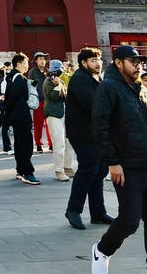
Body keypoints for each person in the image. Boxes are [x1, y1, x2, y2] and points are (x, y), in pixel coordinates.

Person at [90, 45, 147, 273]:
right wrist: (113, 161)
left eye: (140, 62)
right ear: (118, 63)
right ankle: (102, 250)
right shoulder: (109, 88)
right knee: (129, 221)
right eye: (133, 62)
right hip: (127, 166)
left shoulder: (143, 90)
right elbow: (99, 127)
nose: (138, 66)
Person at [64, 47, 113, 231]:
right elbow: (95, 105)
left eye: (99, 60)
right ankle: (73, 210)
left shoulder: (95, 78)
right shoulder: (80, 79)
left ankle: (98, 212)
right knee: (87, 170)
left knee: (99, 171)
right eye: (93, 60)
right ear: (84, 63)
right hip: (83, 134)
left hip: (96, 134)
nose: (98, 63)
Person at [4, 52, 39, 184]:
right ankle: (28, 172)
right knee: (26, 144)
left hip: (14, 115)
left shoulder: (10, 76)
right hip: (21, 115)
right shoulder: (19, 78)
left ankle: (20, 170)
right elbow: (15, 96)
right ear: (18, 64)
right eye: (24, 63)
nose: (26, 66)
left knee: (19, 143)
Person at [43, 59, 74, 181]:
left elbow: (65, 97)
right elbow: (52, 97)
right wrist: (56, 85)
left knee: (68, 141)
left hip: (64, 113)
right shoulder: (48, 82)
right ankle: (59, 170)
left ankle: (67, 166)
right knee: (59, 144)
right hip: (53, 114)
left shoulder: (60, 80)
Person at [27, 50, 52, 153]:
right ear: (36, 61)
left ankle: (51, 144)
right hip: (38, 101)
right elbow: (30, 87)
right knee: (38, 124)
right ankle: (38, 144)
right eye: (40, 59)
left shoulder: (48, 71)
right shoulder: (32, 72)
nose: (43, 61)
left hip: (49, 101)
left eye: (44, 59)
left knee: (50, 124)